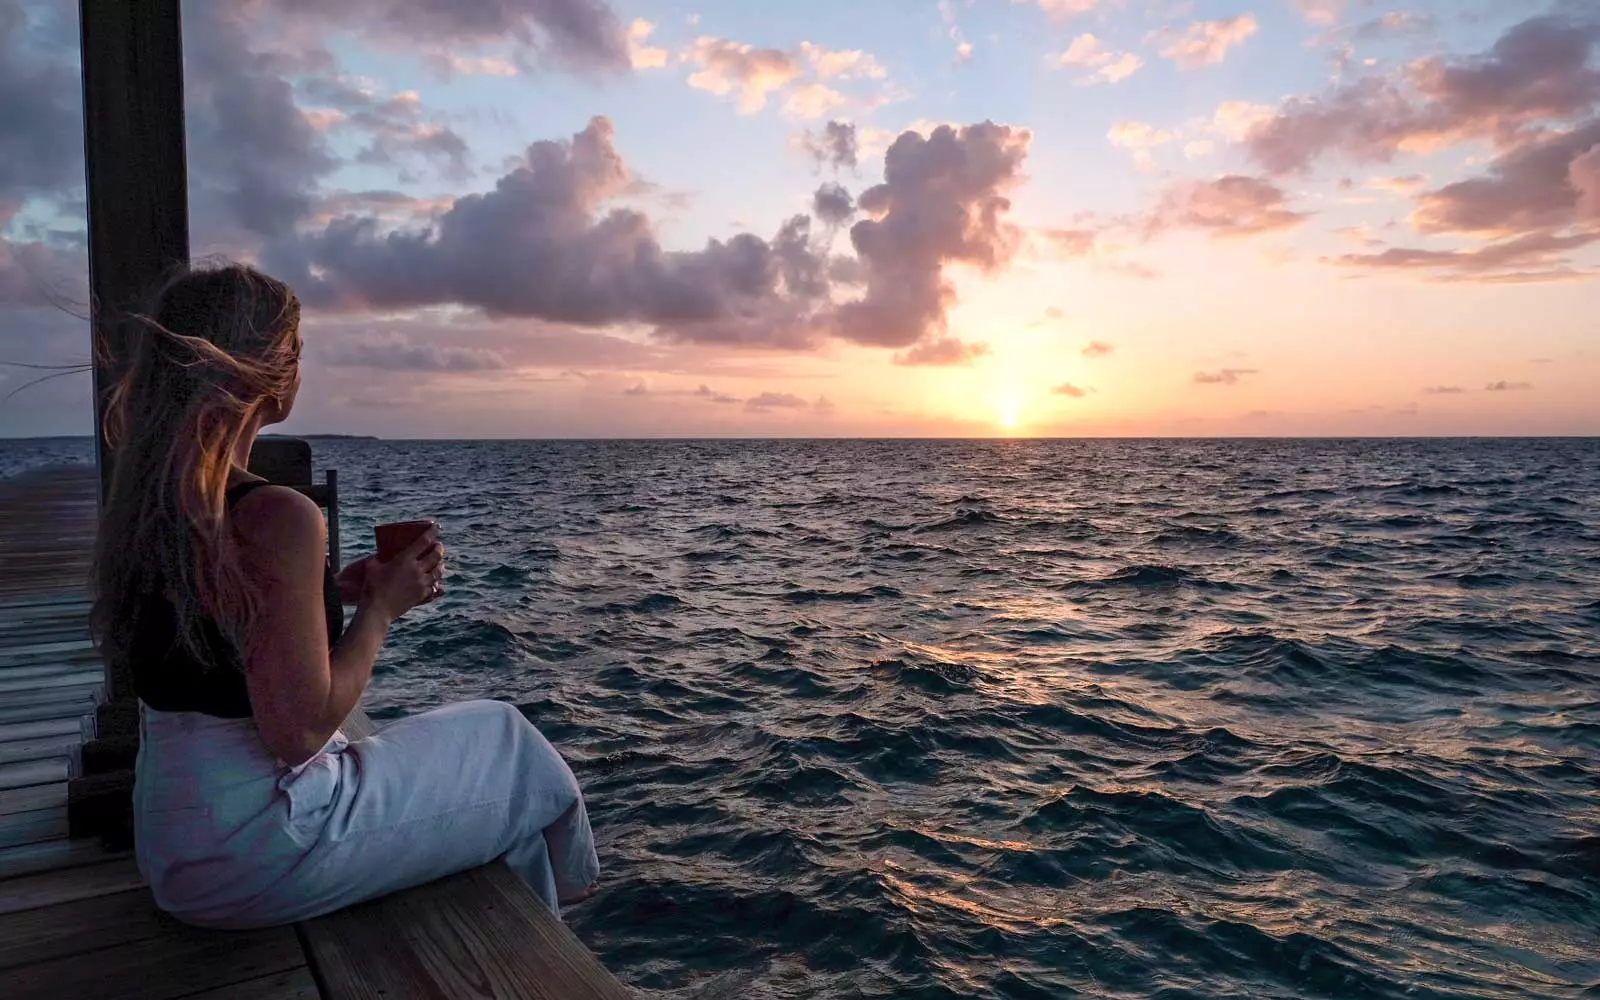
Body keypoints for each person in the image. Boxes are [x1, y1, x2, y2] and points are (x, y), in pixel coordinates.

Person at [89, 261, 599, 929]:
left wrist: (324, 592)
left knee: (507, 806)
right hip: (262, 847)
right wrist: (380, 610)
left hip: (176, 845)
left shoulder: (157, 508)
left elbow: (216, 632)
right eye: (296, 347)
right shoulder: (279, 516)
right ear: (268, 367)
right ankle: (573, 919)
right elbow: (299, 731)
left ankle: (536, 951)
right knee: (510, 741)